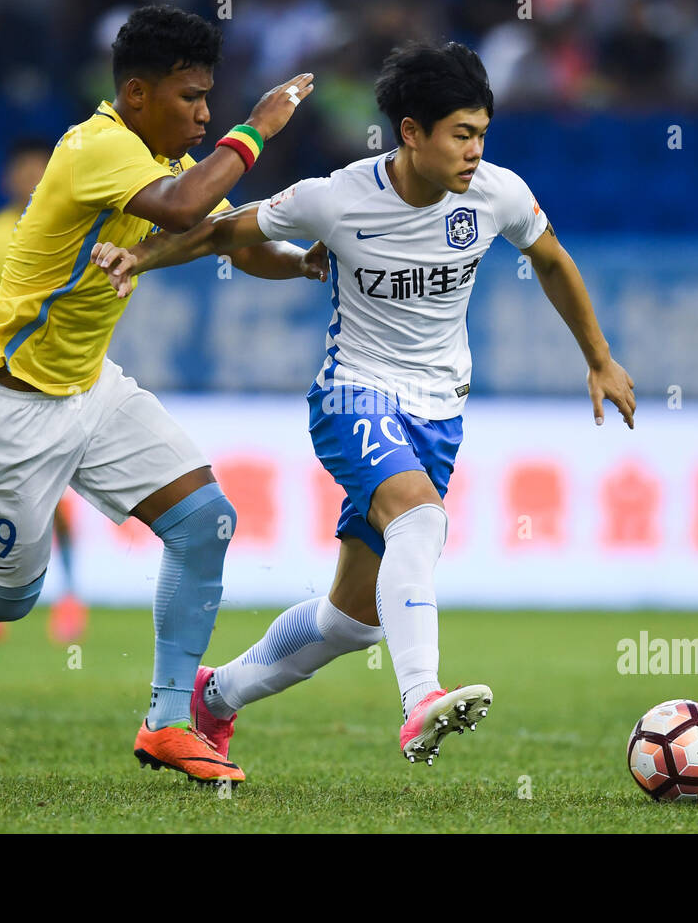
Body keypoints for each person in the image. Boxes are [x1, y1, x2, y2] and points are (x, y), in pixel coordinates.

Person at [90, 41, 636, 767]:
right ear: (411, 132)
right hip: (355, 395)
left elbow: (552, 258)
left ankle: (211, 698)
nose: (475, 151)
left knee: (353, 623)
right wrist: (140, 255)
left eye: (481, 134)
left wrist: (599, 359)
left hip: (438, 415)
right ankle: (419, 704)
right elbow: (222, 230)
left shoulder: (496, 194)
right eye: (460, 134)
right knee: (420, 517)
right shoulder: (338, 197)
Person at [0, 4, 325, 785]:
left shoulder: (155, 162)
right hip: (12, 406)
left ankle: (166, 723)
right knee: (6, 594)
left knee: (205, 522)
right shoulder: (100, 147)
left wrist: (300, 260)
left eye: (209, 98)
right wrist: (257, 127)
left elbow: (222, 231)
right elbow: (190, 210)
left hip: (90, 389)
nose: (203, 113)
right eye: (190, 97)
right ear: (135, 93)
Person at [0, 138, 87, 645]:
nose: (31, 179)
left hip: (53, 378)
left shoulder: (68, 227)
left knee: (51, 495)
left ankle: (70, 596)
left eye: (40, 170)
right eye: (23, 170)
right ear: (8, 177)